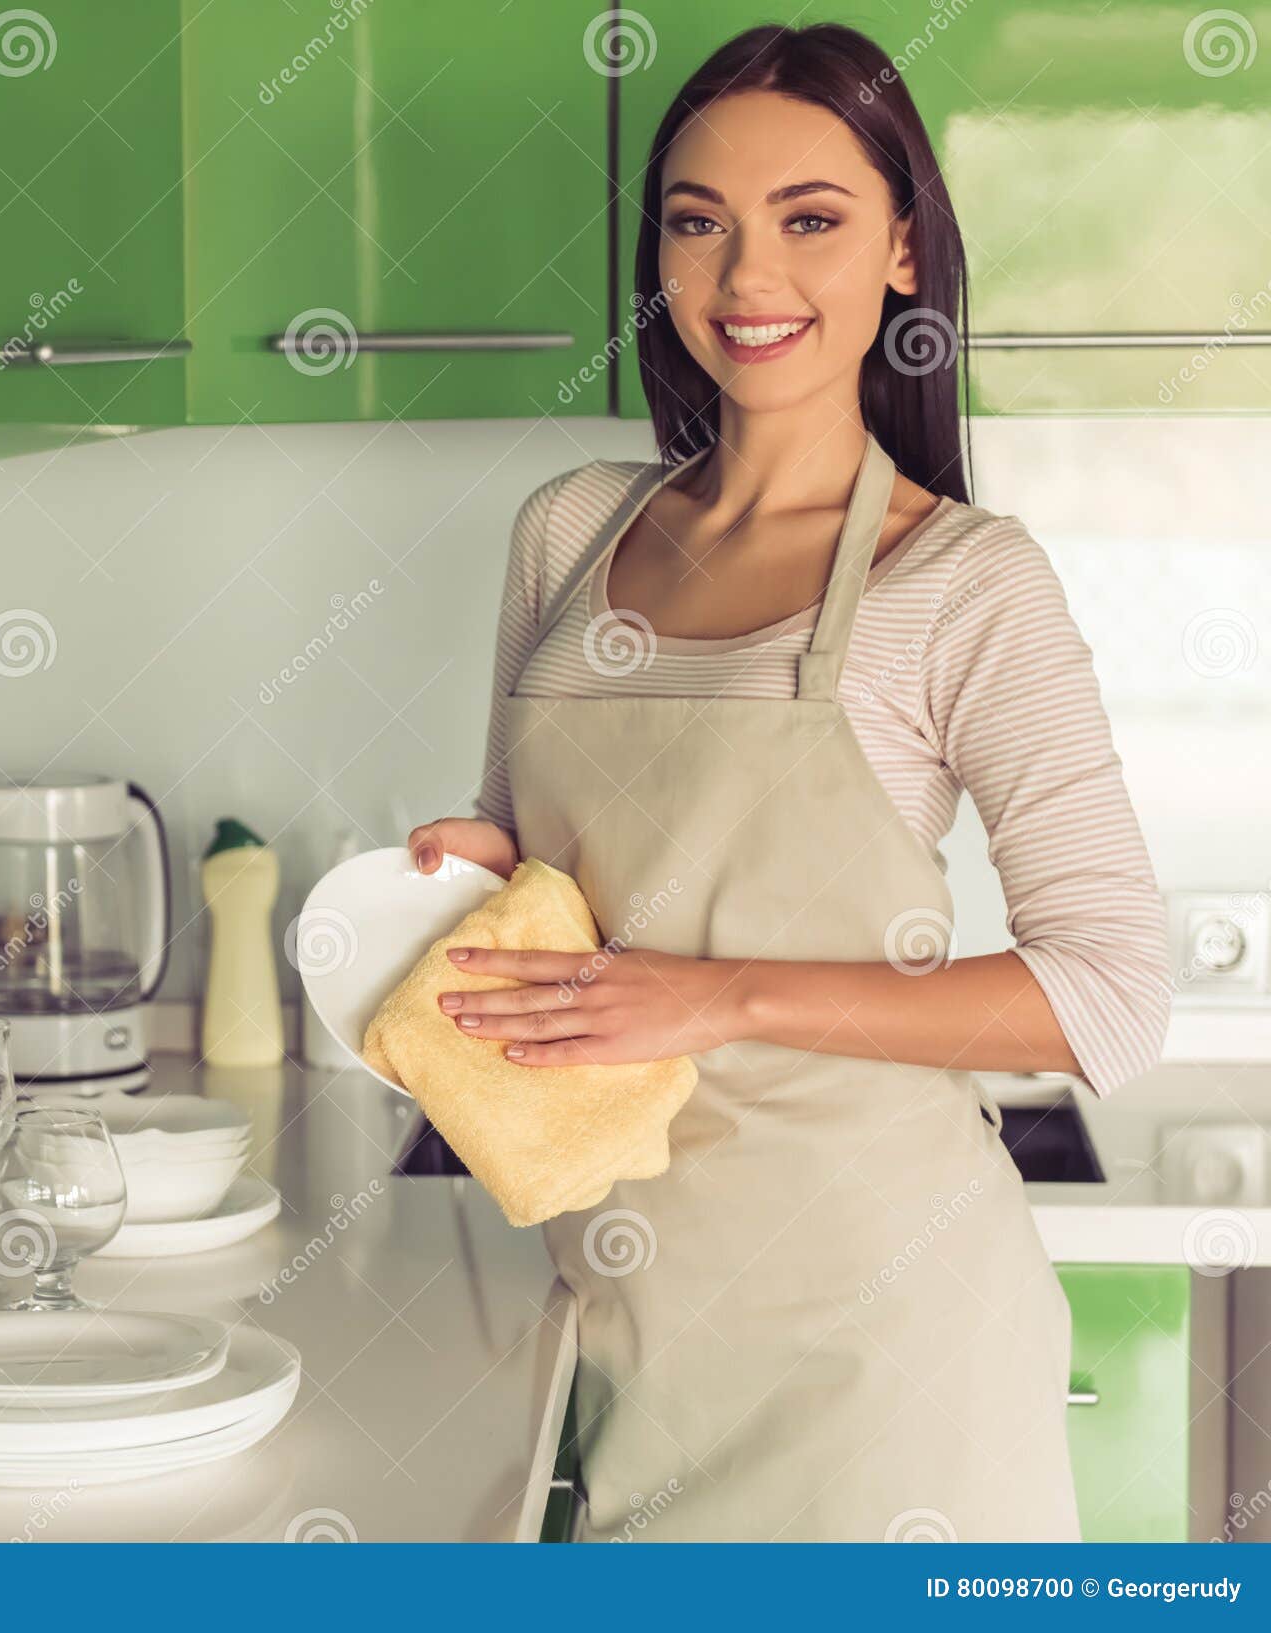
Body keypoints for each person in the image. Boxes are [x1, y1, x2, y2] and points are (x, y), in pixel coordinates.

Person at [406, 22, 1170, 1542]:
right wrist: (474, 879)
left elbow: (1111, 997)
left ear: (904, 249)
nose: (747, 275)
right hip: (625, 1314)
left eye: (810, 219)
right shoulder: (568, 531)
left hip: (889, 1357)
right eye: (700, 223)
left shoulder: (962, 580)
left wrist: (719, 996)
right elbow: (547, 865)